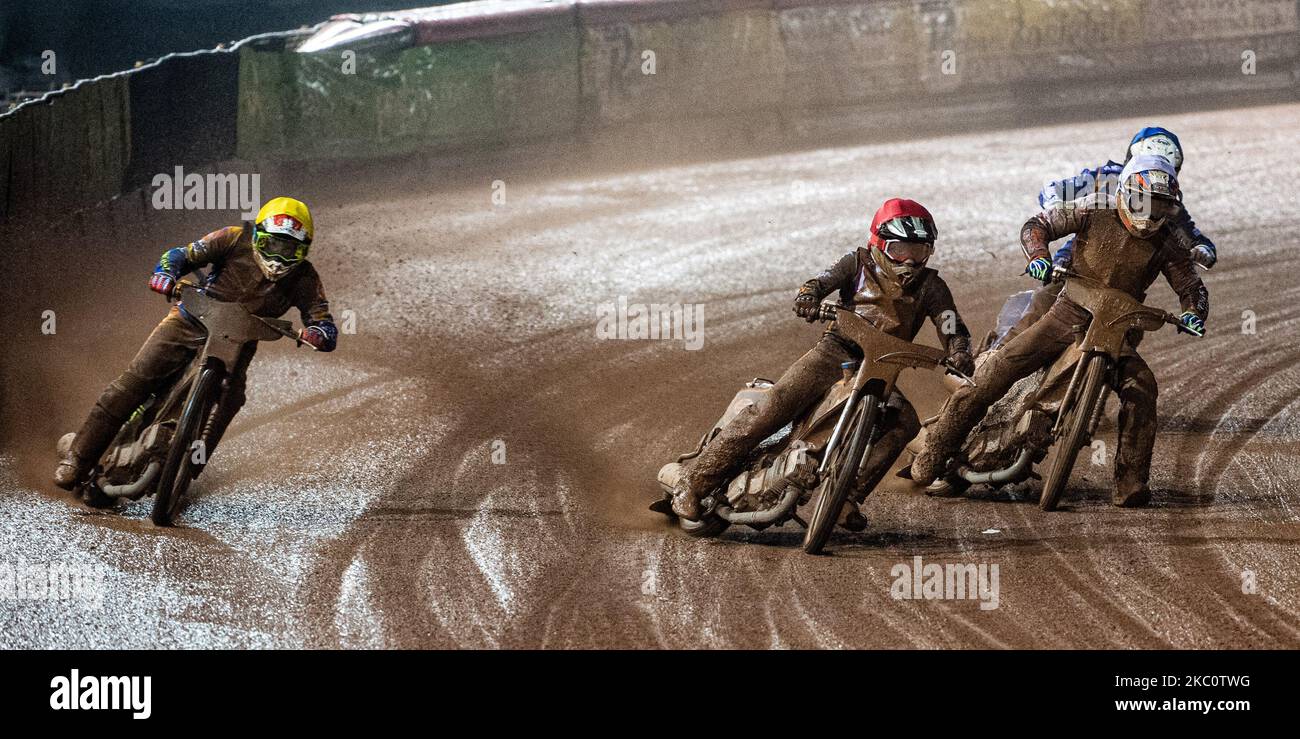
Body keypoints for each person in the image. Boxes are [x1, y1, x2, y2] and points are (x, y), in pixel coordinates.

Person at [912, 157, 1208, 507]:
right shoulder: (1093, 211)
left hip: (1118, 329)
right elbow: (1038, 225)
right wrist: (1038, 256)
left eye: (1161, 205)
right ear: (1126, 193)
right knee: (996, 370)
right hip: (1067, 313)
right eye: (1145, 201)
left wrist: (1194, 313)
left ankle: (1130, 483)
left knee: (1142, 389)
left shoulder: (1168, 243)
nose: (1151, 213)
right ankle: (934, 452)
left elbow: (1192, 286)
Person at [671, 198, 974, 525]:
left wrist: (959, 350)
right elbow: (818, 283)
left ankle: (847, 496)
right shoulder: (856, 264)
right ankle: (694, 482)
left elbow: (950, 322)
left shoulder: (932, 286)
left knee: (904, 423)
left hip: (881, 367)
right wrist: (808, 298)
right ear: (878, 243)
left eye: (920, 251)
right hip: (835, 351)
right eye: (901, 249)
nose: (910, 261)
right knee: (772, 407)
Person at [53, 197, 338, 490]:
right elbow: (180, 255)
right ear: (257, 236)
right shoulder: (232, 237)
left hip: (239, 343)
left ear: (302, 251)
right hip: (188, 320)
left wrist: (318, 332)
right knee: (133, 382)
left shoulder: (305, 277)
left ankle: (187, 470)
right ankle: (78, 459)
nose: (279, 257)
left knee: (232, 398)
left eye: (289, 249)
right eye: (273, 245)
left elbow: (323, 319)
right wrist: (165, 274)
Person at [995, 126, 1216, 350]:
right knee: (1037, 315)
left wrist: (1202, 250)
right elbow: (1051, 190)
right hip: (1075, 269)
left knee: (1130, 343)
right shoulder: (1105, 176)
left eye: (1166, 165)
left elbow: (1195, 238)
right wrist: (1061, 212)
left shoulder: (1165, 200)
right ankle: (993, 359)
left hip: (1123, 292)